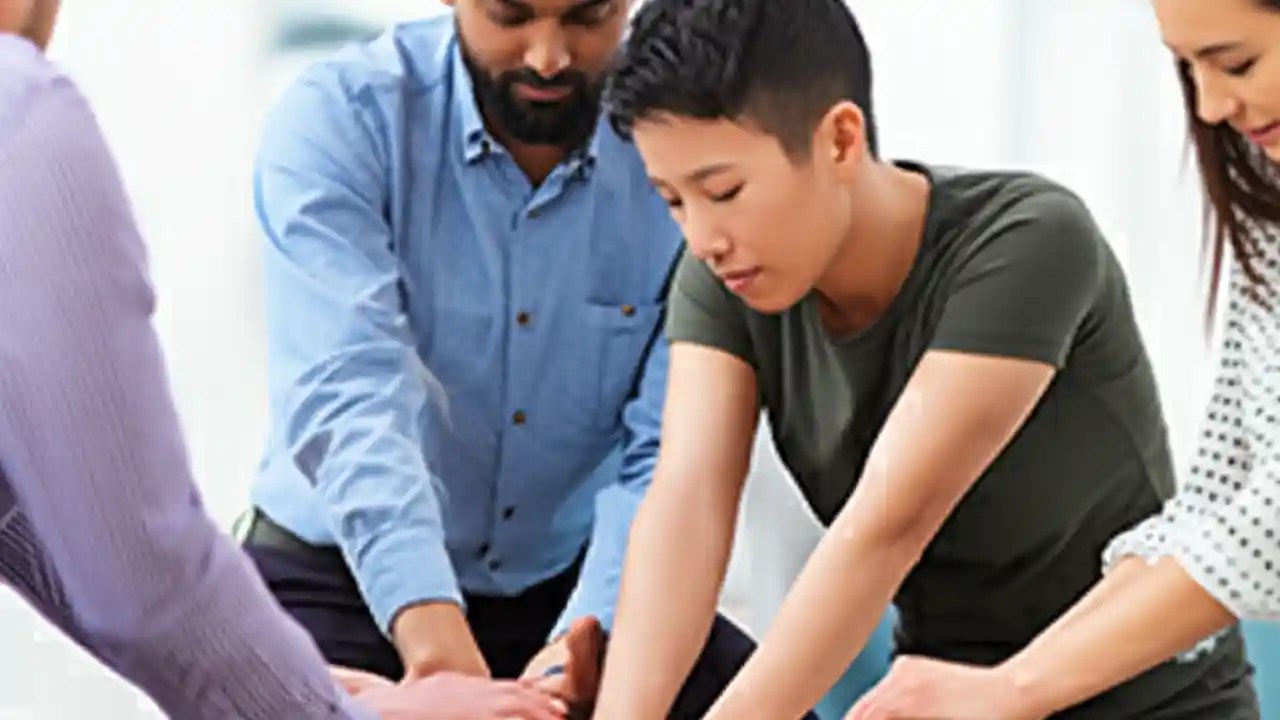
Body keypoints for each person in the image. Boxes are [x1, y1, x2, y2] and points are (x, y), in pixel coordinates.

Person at [591, 0, 1262, 718]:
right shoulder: (730, 277)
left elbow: (886, 527)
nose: (703, 237)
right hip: (938, 701)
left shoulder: (1026, 242)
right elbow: (687, 507)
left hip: (1145, 705)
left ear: (840, 140)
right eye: (673, 201)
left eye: (723, 192)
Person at [0, 1, 564, 719]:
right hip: (334, 572)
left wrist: (314, 689)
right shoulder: (22, 114)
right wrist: (340, 710)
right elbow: (141, 582)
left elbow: (32, 527)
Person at [240, 1, 795, 716]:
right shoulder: (339, 120)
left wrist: (579, 650)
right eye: (511, 16)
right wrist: (443, 663)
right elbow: (351, 400)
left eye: (586, 17)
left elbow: (668, 451)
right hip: (339, 572)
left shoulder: (688, 152)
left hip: (580, 586)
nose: (547, 57)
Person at [845, 1, 1280, 718]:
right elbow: (1219, 494)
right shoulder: (1269, 213)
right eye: (1187, 69)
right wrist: (1008, 684)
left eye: (1236, 63)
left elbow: (1268, 522)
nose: (1209, 106)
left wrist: (1015, 690)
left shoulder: (1034, 240)